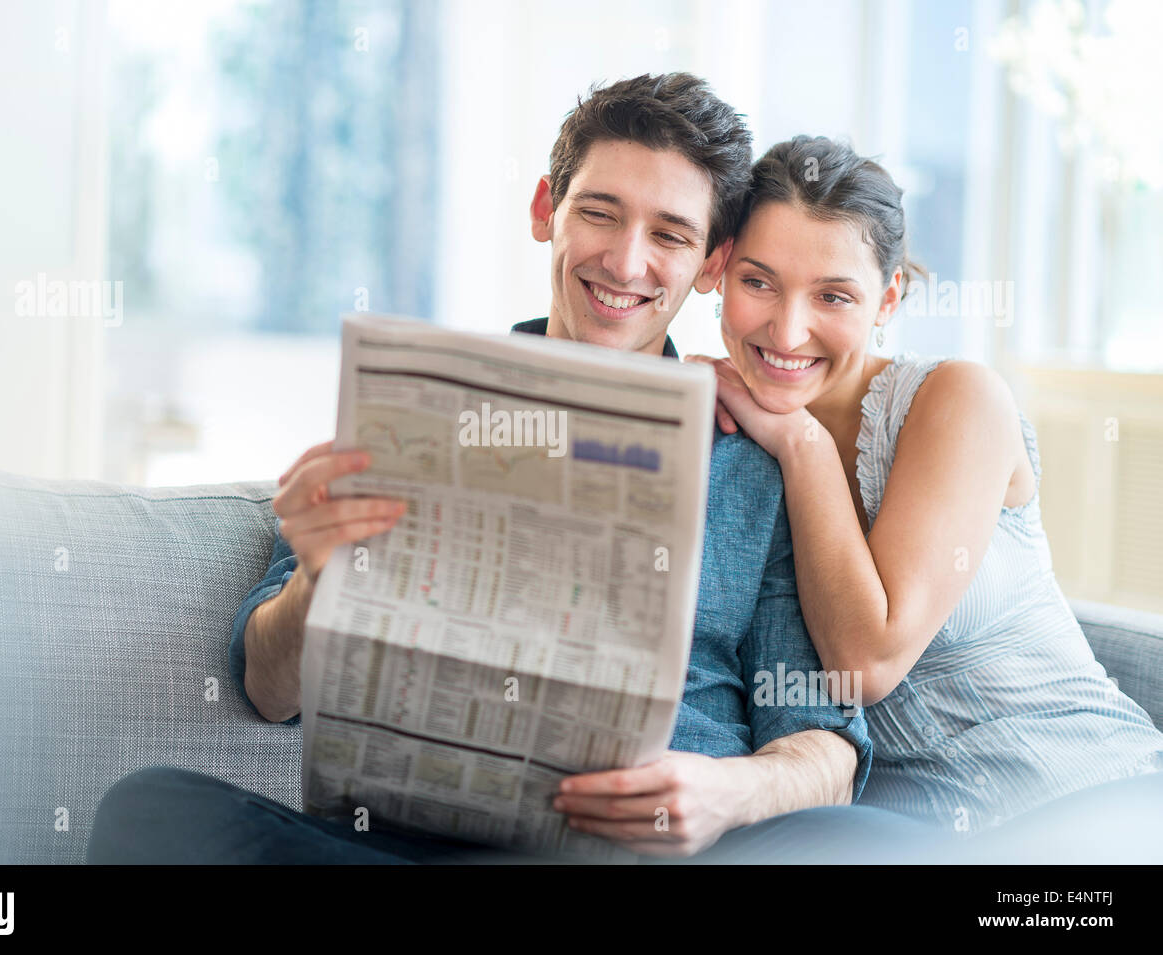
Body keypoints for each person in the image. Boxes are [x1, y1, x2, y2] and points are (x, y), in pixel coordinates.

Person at [87, 76, 942, 865]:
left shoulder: (759, 465)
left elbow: (829, 746)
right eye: (600, 214)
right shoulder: (413, 401)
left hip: (642, 853)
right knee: (153, 810)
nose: (626, 261)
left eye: (670, 235)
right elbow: (268, 688)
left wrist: (730, 792)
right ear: (548, 210)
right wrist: (320, 578)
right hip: (411, 843)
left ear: (711, 262)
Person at [687, 135, 1163, 845]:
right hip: (918, 843)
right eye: (759, 282)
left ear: (889, 296)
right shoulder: (724, 430)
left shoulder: (956, 399)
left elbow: (866, 661)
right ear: (719, 273)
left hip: (1099, 803)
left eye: (833, 295)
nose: (788, 328)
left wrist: (800, 440)